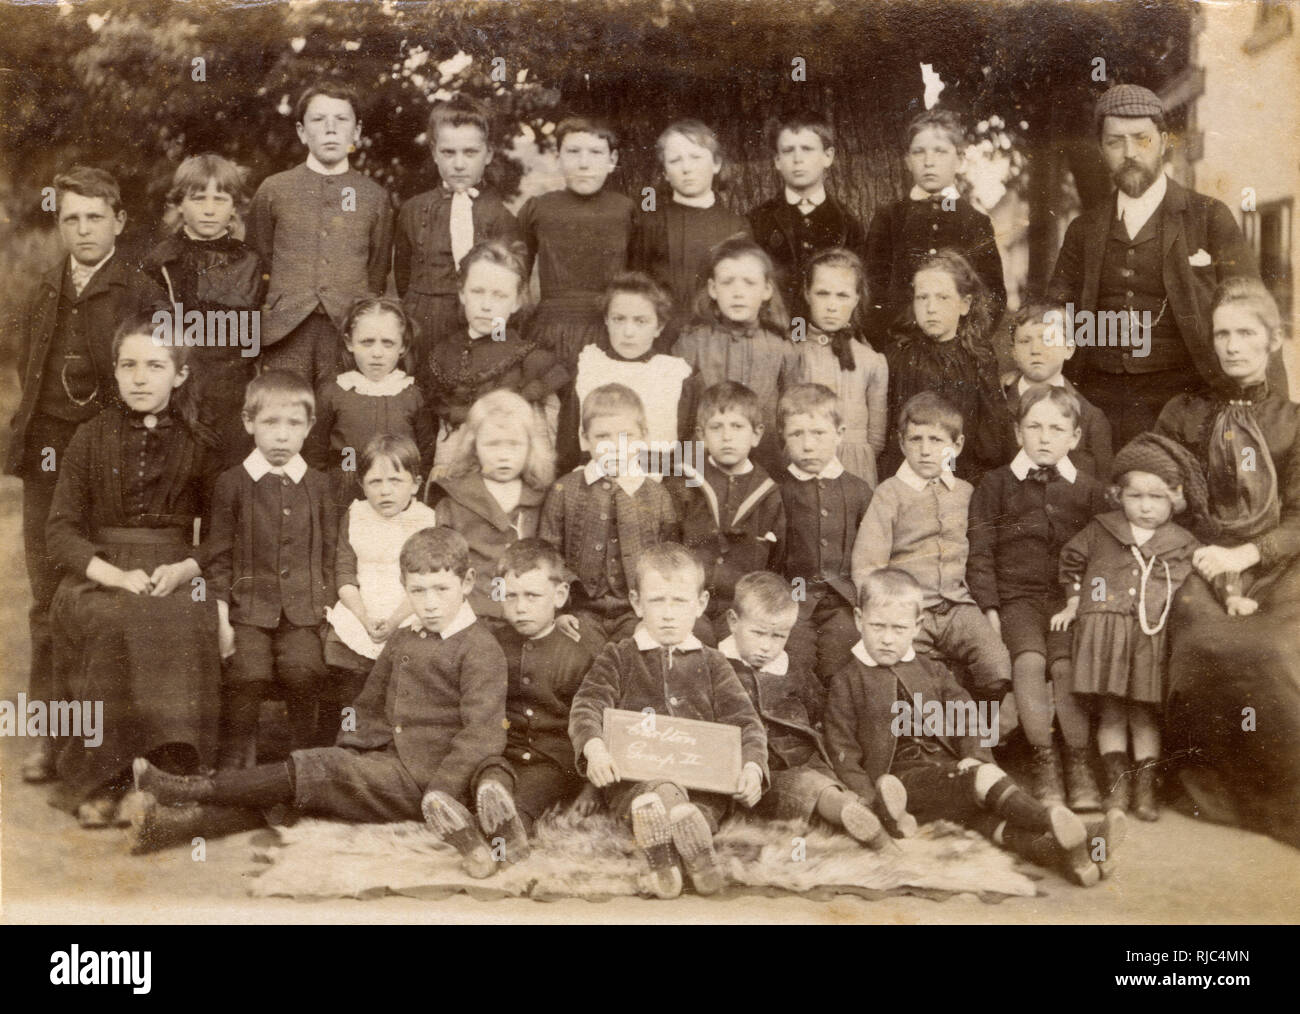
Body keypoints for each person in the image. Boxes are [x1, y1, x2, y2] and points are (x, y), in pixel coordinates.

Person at [133, 527, 513, 879]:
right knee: (301, 794)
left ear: (466, 583)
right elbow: (369, 704)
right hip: (385, 762)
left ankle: (190, 789)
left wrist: (440, 793)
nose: (429, 604)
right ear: (404, 587)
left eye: (440, 589)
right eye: (418, 591)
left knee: (319, 770)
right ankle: (174, 826)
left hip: (427, 780)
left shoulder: (479, 648)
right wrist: (350, 748)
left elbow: (481, 736)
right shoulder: (405, 637)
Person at [8, 166, 167, 784]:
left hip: (114, 456)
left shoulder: (141, 291)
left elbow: (156, 375)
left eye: (94, 217)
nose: (82, 229)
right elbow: (30, 370)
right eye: (70, 218)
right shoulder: (47, 287)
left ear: (119, 222)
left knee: (108, 594)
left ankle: (116, 743)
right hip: (49, 454)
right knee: (48, 595)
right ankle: (51, 736)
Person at [825, 568, 1118, 887]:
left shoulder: (930, 670)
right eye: (877, 626)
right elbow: (843, 753)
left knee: (992, 825)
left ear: (917, 626)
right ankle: (1055, 821)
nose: (886, 638)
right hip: (899, 788)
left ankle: (1078, 855)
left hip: (947, 777)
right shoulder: (847, 681)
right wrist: (872, 804)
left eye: (898, 628)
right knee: (982, 778)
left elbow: (966, 716)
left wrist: (975, 754)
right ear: (858, 620)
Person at [45, 316, 221, 826]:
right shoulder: (88, 438)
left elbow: (220, 533)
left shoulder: (201, 443)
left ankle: (164, 775)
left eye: (155, 365)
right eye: (129, 365)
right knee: (109, 621)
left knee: (181, 619)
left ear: (180, 375)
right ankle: (105, 777)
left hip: (173, 569)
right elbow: (60, 532)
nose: (140, 378)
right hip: (102, 570)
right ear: (116, 372)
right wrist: (114, 575)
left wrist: (188, 567)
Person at [1158, 278, 1300, 848]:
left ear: (1273, 340)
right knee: (1201, 640)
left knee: (1272, 647)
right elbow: (1157, 489)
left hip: (1280, 562)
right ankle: (1210, 792)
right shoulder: (1186, 413)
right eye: (1223, 334)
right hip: (1202, 557)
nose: (1233, 345)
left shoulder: (1292, 420)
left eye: (1247, 333)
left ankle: (1285, 799)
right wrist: (1206, 554)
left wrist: (1251, 552)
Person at [1047, 83, 1269, 449]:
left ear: (1164, 142)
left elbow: (1252, 311)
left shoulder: (1209, 218)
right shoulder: (1084, 229)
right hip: (1095, 398)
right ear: (1102, 149)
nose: (1129, 153)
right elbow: (1054, 311)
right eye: (1115, 142)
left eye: (1142, 139)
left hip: (1185, 396)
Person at [568, 543, 768, 898]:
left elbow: (746, 722)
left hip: (704, 788)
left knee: (700, 813)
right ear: (636, 602)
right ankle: (687, 855)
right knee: (653, 801)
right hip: (636, 787)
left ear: (701, 604)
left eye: (679, 601)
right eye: (658, 601)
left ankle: (673, 858)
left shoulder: (713, 663)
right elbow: (588, 705)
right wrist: (594, 748)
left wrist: (753, 768)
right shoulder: (618, 656)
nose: (669, 614)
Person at [967, 386, 1109, 805]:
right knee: (1028, 662)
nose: (1045, 437)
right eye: (1034, 426)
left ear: (1075, 437)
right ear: (1017, 432)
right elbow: (980, 552)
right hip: (1016, 600)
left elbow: (1102, 553)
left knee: (1065, 666)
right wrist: (990, 608)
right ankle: (1043, 760)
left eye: (1056, 428)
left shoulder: (1089, 490)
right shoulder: (994, 486)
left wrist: (1081, 599)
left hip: (1068, 600)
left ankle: (1079, 763)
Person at [1054, 434, 1204, 821]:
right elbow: (1071, 560)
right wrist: (1075, 600)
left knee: (1143, 715)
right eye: (1136, 496)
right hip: (1105, 637)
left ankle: (1144, 790)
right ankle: (1117, 790)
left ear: (1174, 498)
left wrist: (1234, 596)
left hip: (1149, 640)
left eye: (1157, 498)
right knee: (1111, 713)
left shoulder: (1183, 543)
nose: (1146, 507)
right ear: (1119, 495)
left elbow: (1207, 575)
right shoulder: (1101, 530)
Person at [204, 370, 337, 769]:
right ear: (249, 423)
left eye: (294, 423)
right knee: (247, 673)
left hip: (304, 615)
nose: (282, 435)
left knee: (303, 669)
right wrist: (222, 619)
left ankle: (300, 765)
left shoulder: (320, 485)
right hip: (248, 613)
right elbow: (219, 557)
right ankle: (233, 764)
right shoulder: (231, 484)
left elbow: (330, 555)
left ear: (310, 426)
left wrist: (328, 614)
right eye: (270, 423)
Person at [722, 571, 911, 848]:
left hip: (802, 758)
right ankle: (874, 828)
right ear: (732, 622)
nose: (767, 646)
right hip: (757, 772)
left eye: (778, 636)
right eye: (758, 633)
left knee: (825, 785)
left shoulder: (795, 670)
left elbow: (820, 711)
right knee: (811, 789)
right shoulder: (717, 667)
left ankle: (870, 815)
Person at [852, 392, 1012, 706]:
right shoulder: (890, 493)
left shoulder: (966, 493)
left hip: (957, 607)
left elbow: (980, 554)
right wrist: (886, 610)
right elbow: (868, 563)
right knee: (910, 675)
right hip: (908, 609)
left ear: (957, 446)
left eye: (937, 440)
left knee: (996, 662)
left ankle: (977, 734)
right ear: (901, 443)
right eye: (916, 440)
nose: (925, 450)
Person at [245, 82, 394, 389]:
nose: (330, 129)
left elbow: (377, 272)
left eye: (341, 119)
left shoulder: (373, 196)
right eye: (318, 120)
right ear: (301, 132)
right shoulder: (274, 189)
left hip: (346, 332)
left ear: (356, 131)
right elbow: (257, 261)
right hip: (284, 330)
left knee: (339, 415)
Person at [145, 153, 266, 473]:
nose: (210, 209)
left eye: (220, 198)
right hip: (181, 400)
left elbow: (255, 341)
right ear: (179, 204)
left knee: (225, 499)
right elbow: (156, 342)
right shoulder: (162, 262)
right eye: (198, 199)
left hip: (235, 400)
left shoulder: (252, 263)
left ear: (235, 206)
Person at [538, 383, 683, 649]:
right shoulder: (564, 490)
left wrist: (652, 615)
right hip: (581, 611)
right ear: (584, 438)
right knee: (574, 652)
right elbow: (549, 557)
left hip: (637, 612)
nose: (615, 447)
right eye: (603, 436)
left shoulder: (657, 495)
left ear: (643, 437)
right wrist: (558, 613)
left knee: (637, 655)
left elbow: (668, 563)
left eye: (626, 436)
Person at [471, 539, 596, 849]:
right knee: (489, 774)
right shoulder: (491, 645)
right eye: (511, 596)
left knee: (528, 796)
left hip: (551, 761)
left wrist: (591, 789)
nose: (521, 607)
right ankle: (488, 802)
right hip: (500, 751)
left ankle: (509, 837)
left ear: (560, 595)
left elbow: (595, 725)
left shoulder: (577, 656)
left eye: (532, 596)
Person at [395, 96, 519, 393]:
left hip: (480, 322)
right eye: (448, 152)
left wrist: (499, 341)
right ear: (434, 153)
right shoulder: (412, 210)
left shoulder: (501, 216)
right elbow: (402, 276)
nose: (459, 163)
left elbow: (512, 286)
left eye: (470, 152)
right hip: (421, 322)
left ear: (488, 154)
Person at [424, 240, 568, 478]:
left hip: (513, 476)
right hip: (458, 475)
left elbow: (544, 434)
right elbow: (444, 425)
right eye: (477, 292)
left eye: (499, 295)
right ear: (462, 293)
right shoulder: (444, 354)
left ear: (516, 302)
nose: (486, 305)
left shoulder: (527, 360)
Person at [864, 108, 1006, 344]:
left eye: (940, 152)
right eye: (919, 153)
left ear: (959, 160)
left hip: (959, 347)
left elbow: (993, 294)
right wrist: (887, 340)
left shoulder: (975, 222)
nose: (929, 162)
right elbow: (871, 286)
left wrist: (967, 341)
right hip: (898, 347)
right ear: (908, 161)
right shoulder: (889, 217)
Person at [324, 435, 437, 714]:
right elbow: (345, 572)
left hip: (409, 609)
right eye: (375, 482)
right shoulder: (356, 514)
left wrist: (394, 620)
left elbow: (427, 581)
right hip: (361, 606)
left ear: (415, 485)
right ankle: (348, 731)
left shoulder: (426, 520)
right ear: (362, 484)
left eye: (396, 481)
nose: (385, 491)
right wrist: (363, 616)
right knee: (349, 672)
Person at [879, 250, 1013, 484]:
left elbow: (993, 439)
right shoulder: (898, 356)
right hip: (905, 478)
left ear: (964, 304)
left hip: (962, 477)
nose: (931, 308)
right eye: (922, 297)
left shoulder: (978, 359)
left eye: (942, 298)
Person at [672, 235, 802, 474]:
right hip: (699, 466)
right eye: (728, 282)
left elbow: (791, 416)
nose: (738, 292)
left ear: (766, 290)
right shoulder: (692, 343)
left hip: (763, 466)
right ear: (712, 288)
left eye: (749, 283)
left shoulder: (781, 348)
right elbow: (676, 421)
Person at [666, 382, 785, 640]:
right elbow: (668, 545)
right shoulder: (685, 480)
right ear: (701, 435)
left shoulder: (768, 492)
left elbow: (778, 561)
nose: (727, 437)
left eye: (737, 426)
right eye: (716, 427)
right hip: (689, 600)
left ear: (757, 434)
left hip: (741, 606)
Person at [518, 116, 636, 370]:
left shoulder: (626, 210)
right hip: (550, 331)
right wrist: (502, 336)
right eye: (573, 152)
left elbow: (641, 283)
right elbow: (513, 280)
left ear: (612, 160)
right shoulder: (538, 208)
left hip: (611, 331)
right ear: (557, 157)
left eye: (595, 152)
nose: (584, 163)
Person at [428, 389, 555, 621]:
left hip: (527, 615)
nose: (503, 455)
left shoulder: (541, 496)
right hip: (472, 614)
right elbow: (441, 563)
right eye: (492, 445)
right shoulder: (456, 497)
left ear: (530, 447)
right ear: (474, 446)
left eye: (514, 445)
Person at [778, 383, 871, 694]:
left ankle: (837, 725)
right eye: (797, 434)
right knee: (795, 655)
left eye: (818, 433)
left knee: (844, 655)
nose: (807, 445)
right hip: (793, 600)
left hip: (842, 601)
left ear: (840, 433)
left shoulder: (858, 491)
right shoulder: (777, 491)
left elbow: (871, 553)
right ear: (784, 436)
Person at [305, 296, 436, 507]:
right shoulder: (334, 391)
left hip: (396, 493)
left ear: (403, 346)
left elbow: (426, 454)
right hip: (344, 489)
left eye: (388, 343)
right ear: (349, 343)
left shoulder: (412, 395)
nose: (377, 353)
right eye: (367, 342)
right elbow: (315, 453)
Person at [559, 271, 695, 473]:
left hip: (657, 484)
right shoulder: (590, 368)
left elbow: (689, 450)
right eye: (619, 319)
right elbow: (567, 449)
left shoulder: (674, 375)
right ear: (606, 320)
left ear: (659, 326)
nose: (628, 332)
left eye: (641, 321)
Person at [630, 119, 750, 337]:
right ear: (665, 172)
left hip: (719, 337)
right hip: (663, 338)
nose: (686, 168)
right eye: (675, 160)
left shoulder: (736, 225)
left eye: (696, 157)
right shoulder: (651, 223)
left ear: (716, 164)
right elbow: (636, 286)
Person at [747, 109, 867, 316]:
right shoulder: (757, 220)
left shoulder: (848, 224)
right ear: (777, 160)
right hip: (774, 333)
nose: (797, 159)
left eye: (807, 149)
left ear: (827, 156)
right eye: (787, 150)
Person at [794, 247, 889, 487]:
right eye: (822, 294)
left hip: (857, 469)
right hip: (804, 463)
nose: (832, 306)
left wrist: (859, 461)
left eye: (842, 296)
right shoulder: (793, 353)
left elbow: (876, 438)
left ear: (857, 298)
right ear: (807, 294)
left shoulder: (871, 361)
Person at [1000, 301, 1113, 479]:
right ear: (1013, 351)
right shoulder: (996, 405)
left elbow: (1101, 488)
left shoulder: (1091, 417)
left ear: (1068, 349)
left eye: (1048, 340)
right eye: (1024, 341)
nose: (1035, 350)